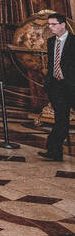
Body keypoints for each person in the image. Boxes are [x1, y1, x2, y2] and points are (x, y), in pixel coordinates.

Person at [41, 12, 75, 161]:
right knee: (61, 119)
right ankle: (54, 151)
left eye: (53, 24)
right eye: (49, 24)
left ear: (62, 25)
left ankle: (53, 148)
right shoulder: (50, 42)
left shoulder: (73, 42)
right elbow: (51, 64)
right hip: (56, 86)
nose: (50, 27)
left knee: (62, 121)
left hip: (72, 86)